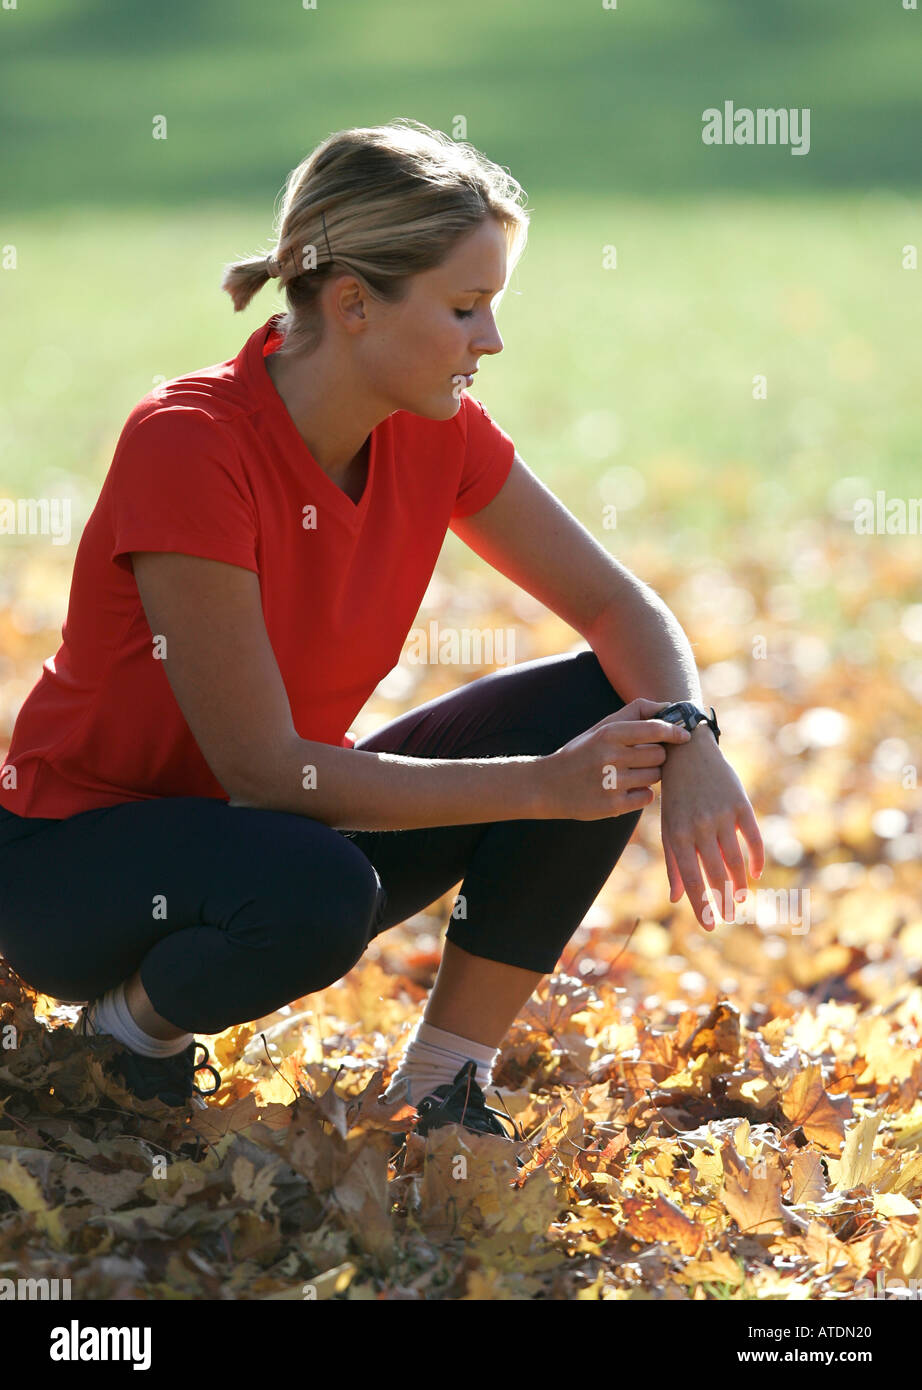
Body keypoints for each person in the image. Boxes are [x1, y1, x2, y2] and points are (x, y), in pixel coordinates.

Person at [0, 119, 763, 1137]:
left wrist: (686, 730)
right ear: (354, 303)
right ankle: (126, 1034)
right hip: (77, 865)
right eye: (463, 307)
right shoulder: (189, 443)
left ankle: (443, 1082)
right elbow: (264, 770)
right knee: (317, 886)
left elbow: (619, 607)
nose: (488, 340)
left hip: (272, 834)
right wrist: (542, 787)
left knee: (601, 700)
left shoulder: (434, 431)